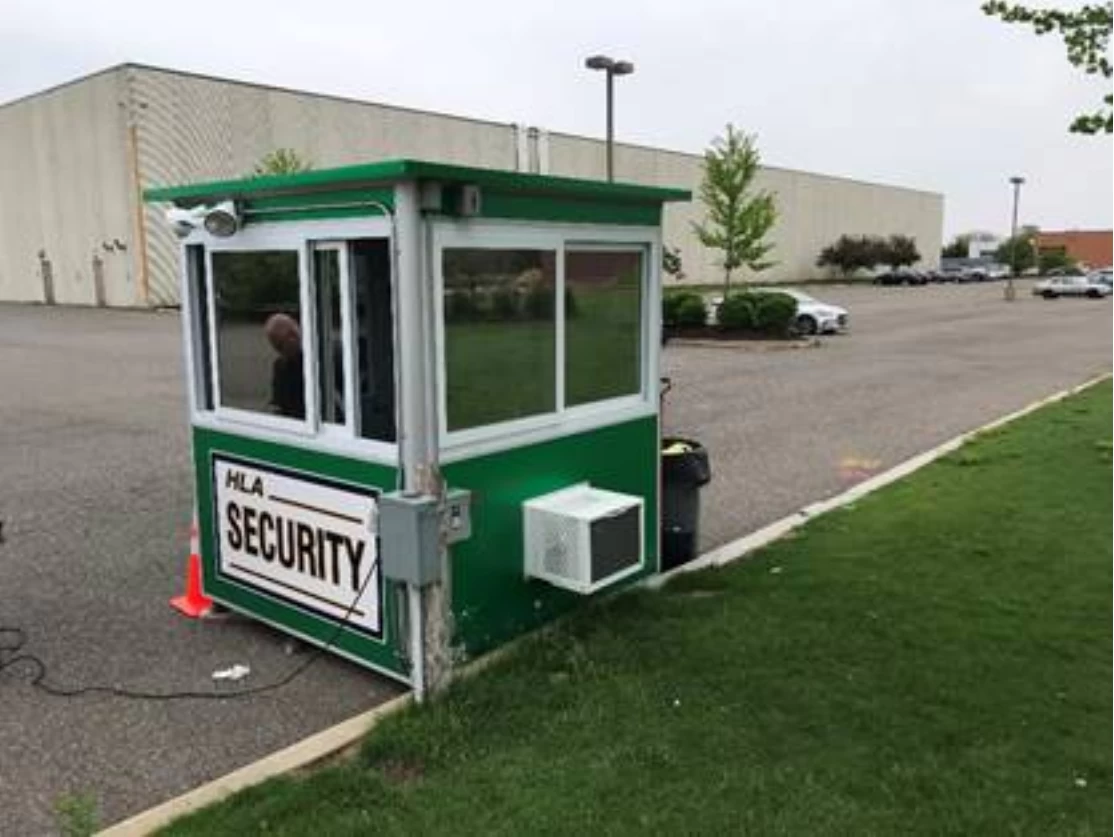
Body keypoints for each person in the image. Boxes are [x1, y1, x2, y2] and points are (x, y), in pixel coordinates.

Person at [264, 313, 305, 418]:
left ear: (293, 336)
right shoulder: (280, 366)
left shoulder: (326, 358)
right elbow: (278, 401)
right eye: (276, 346)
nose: (278, 351)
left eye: (280, 345)